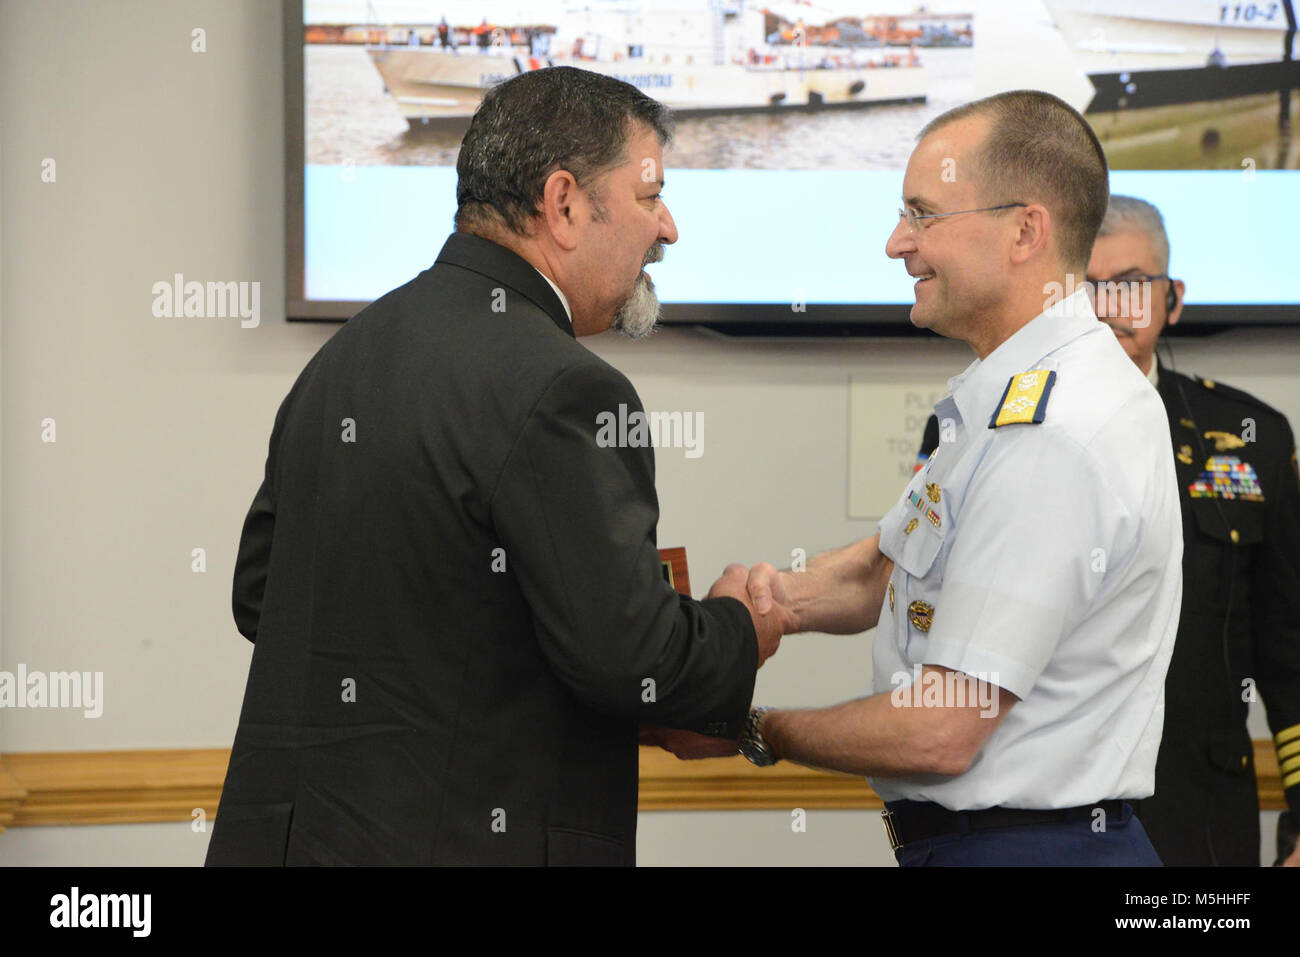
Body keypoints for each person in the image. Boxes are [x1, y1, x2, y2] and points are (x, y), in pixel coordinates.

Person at [206, 67, 778, 866]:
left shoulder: (343, 360)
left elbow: (262, 593)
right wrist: (739, 629)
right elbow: (629, 656)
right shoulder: (567, 387)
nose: (668, 228)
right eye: (651, 196)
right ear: (566, 203)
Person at [665, 91, 1183, 866]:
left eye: (922, 214)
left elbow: (941, 730)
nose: (895, 243)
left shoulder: (1057, 429)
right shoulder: (1006, 398)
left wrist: (751, 727)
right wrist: (761, 603)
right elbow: (887, 568)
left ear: (1024, 230)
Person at [1084, 195, 1299, 865]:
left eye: (1130, 284)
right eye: (1086, 287)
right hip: (1038, 820)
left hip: (1200, 821)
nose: (1109, 306)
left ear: (1170, 298)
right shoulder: (994, 428)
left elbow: (1289, 649)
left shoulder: (1247, 440)